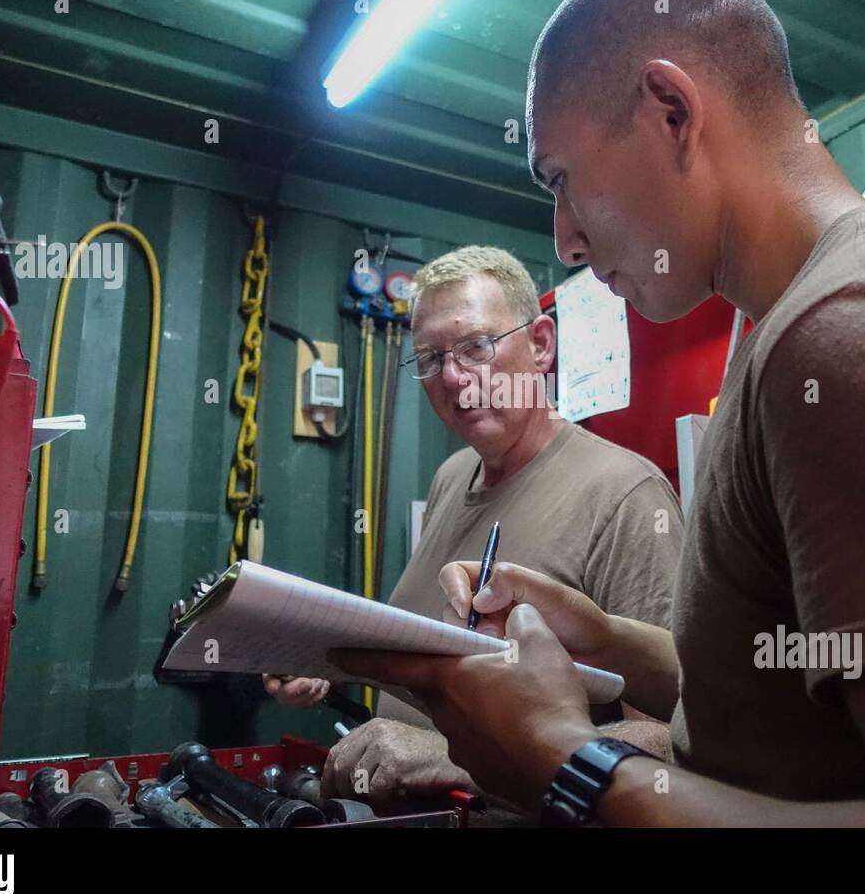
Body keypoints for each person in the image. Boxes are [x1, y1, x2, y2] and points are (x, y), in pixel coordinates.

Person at [332, 0, 865, 826]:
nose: (566, 241)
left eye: (560, 181)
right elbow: (791, 701)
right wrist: (609, 640)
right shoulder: (788, 341)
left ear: (672, 113)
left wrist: (561, 760)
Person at [267, 245, 682, 812]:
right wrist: (327, 667)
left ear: (540, 345)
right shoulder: (451, 477)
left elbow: (673, 742)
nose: (454, 377)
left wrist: (450, 758)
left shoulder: (625, 494)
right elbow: (445, 668)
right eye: (431, 359)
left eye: (475, 346)